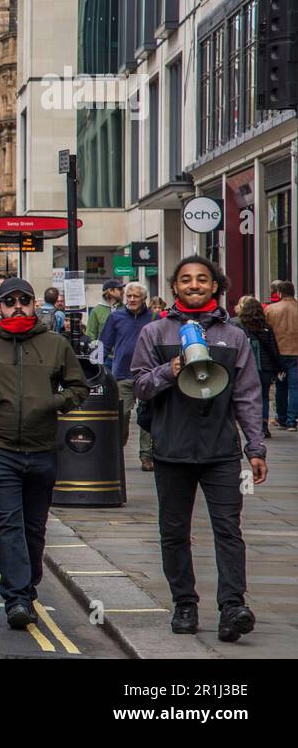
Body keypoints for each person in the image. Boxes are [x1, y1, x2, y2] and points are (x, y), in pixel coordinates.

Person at [131, 257, 267, 642]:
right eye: (186, 279)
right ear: (175, 287)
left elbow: (248, 395)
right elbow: (138, 385)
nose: (194, 285)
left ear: (215, 286)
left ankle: (232, 607)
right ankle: (184, 603)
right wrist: (169, 371)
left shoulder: (234, 337)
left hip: (222, 452)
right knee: (174, 532)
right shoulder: (155, 333)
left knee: (229, 529)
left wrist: (254, 446)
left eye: (202, 279)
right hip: (171, 449)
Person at [0, 278, 90, 630]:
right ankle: (16, 598)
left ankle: (27, 587)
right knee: (7, 524)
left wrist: (53, 402)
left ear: (34, 305)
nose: (17, 306)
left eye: (24, 300)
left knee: (33, 527)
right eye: (9, 301)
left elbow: (79, 387)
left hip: (43, 449)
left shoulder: (56, 344)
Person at [99, 282, 156, 469]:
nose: (131, 299)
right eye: (129, 296)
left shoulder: (153, 318)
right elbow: (104, 345)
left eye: (136, 296)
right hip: (122, 373)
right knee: (121, 414)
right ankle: (117, 448)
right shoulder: (116, 317)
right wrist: (98, 369)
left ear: (144, 298)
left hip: (148, 373)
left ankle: (146, 456)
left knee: (147, 414)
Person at [235, 296, 283, 438]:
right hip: (265, 367)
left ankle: (251, 425)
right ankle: (263, 426)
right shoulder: (266, 327)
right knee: (263, 397)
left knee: (248, 396)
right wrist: (278, 367)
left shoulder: (238, 325)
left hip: (246, 365)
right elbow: (273, 349)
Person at [263, 280, 297, 429]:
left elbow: (264, 331)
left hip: (278, 353)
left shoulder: (271, 310)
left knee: (280, 387)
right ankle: (292, 420)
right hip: (296, 353)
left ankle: (281, 418)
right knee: (295, 388)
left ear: (279, 293)